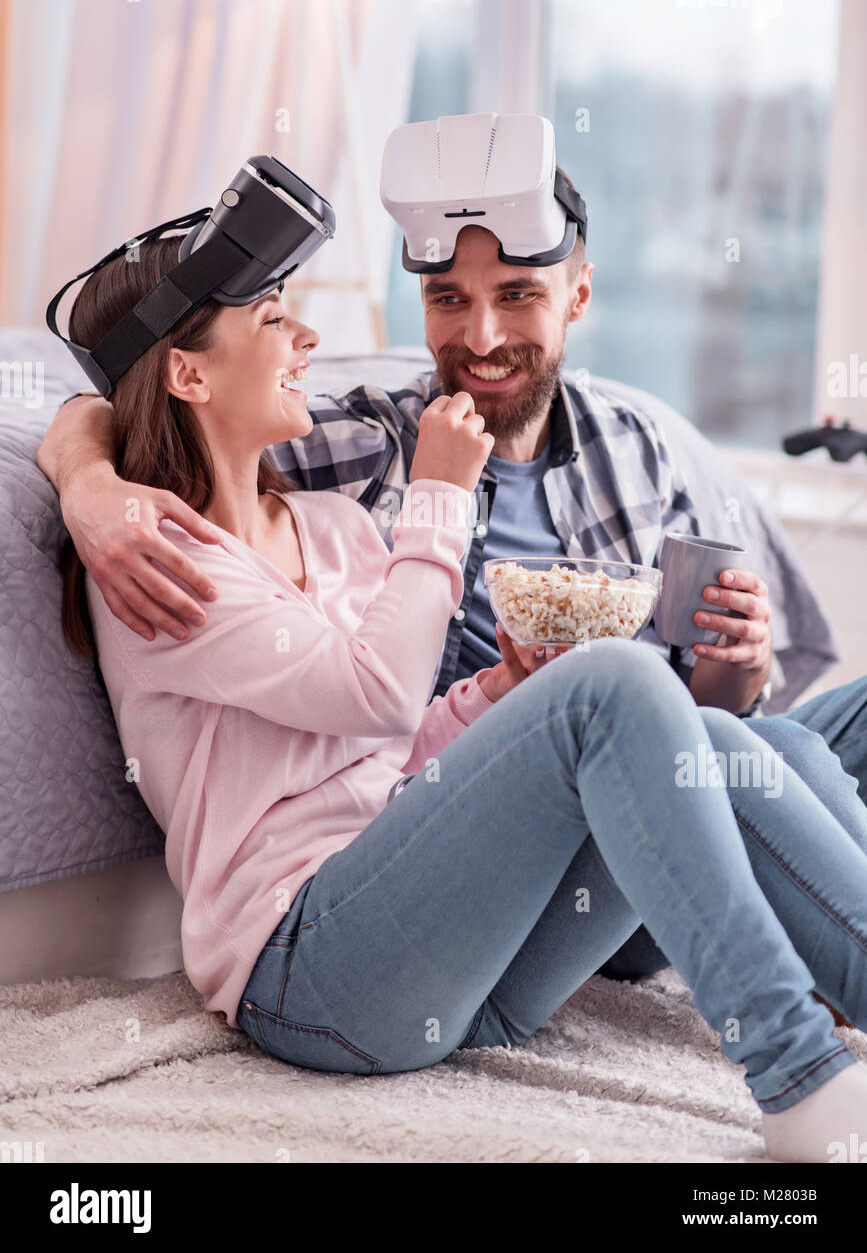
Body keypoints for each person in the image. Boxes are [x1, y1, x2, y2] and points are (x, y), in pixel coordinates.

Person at [52, 231, 867, 1164]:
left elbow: (394, 750)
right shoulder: (159, 564)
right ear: (189, 376)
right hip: (310, 976)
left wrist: (496, 695)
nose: (309, 339)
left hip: (461, 965)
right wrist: (440, 494)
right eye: (274, 319)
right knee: (617, 680)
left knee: (706, 739)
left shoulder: (332, 525)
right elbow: (378, 690)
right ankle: (797, 1074)